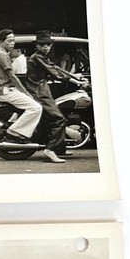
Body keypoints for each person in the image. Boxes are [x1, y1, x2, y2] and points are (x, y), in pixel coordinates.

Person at [26, 30, 90, 162]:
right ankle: (50, 150)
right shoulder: (37, 57)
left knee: (56, 116)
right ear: (37, 45)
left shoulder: (42, 57)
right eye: (43, 44)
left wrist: (74, 76)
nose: (46, 47)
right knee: (59, 119)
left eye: (48, 44)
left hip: (42, 89)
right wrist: (76, 82)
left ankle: (60, 148)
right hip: (39, 91)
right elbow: (55, 73)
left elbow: (56, 68)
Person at [0, 29, 43, 143]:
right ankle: (14, 132)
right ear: (1, 41)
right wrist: (25, 93)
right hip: (5, 90)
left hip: (2, 90)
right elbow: (12, 77)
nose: (12, 43)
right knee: (36, 107)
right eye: (9, 41)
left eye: (13, 41)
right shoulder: (2, 55)